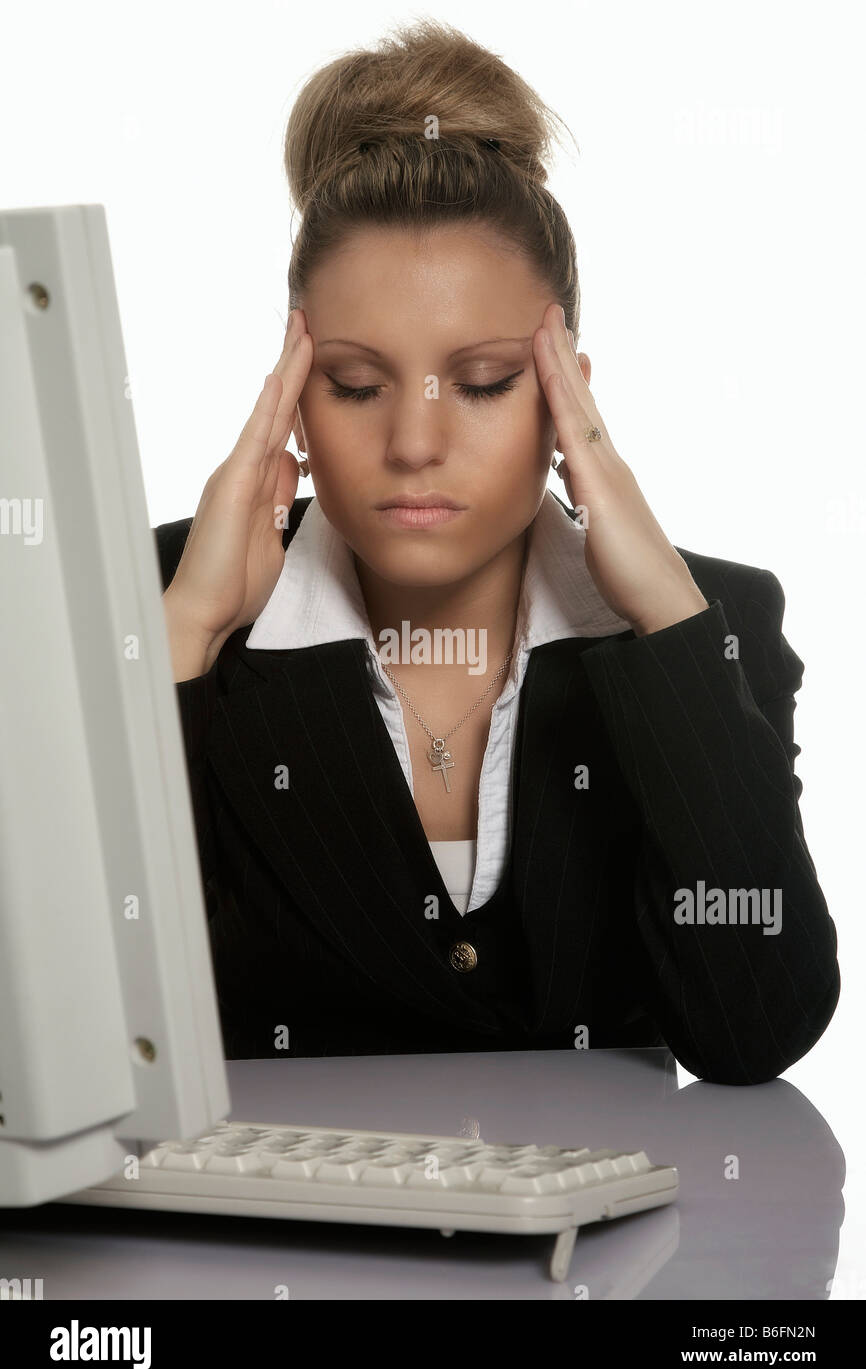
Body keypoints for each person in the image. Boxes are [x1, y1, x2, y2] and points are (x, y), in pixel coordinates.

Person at [155, 18, 839, 1082]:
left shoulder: (707, 627)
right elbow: (58, 1035)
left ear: (567, 398)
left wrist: (661, 610)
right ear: (289, 401)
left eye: (480, 382)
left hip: (615, 1256)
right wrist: (180, 643)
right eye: (352, 384)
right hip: (272, 1254)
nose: (414, 442)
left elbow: (749, 1029)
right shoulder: (159, 614)